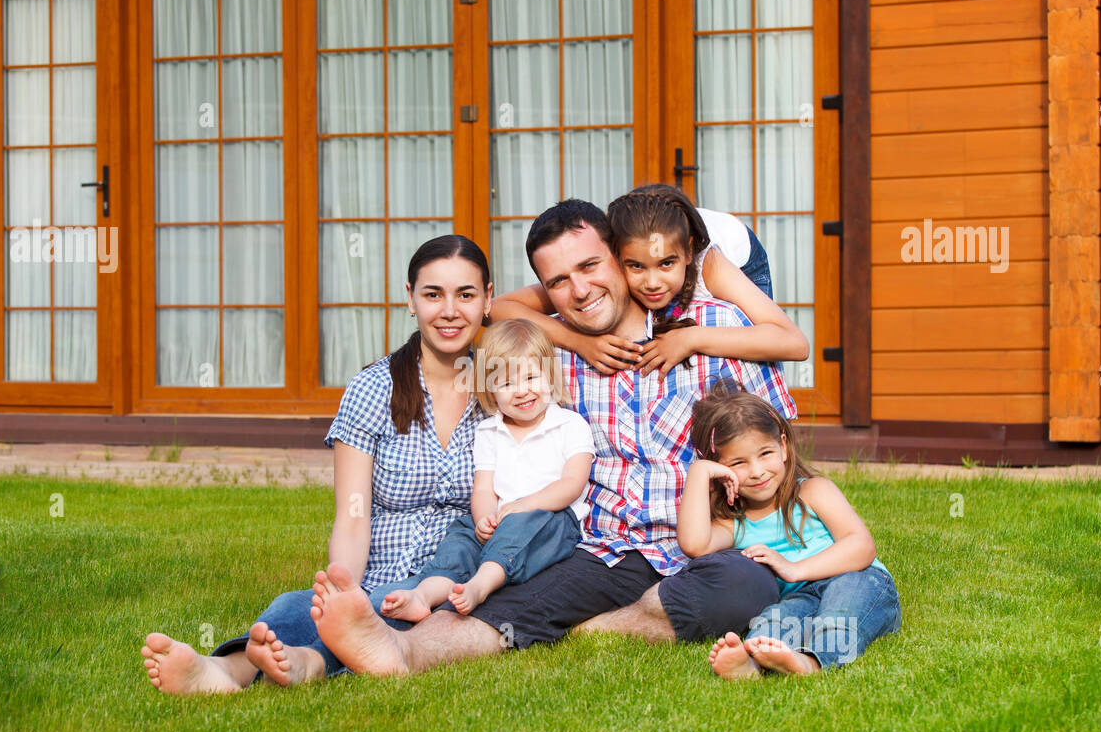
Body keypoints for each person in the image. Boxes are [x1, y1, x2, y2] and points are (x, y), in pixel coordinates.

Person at [308, 199, 808, 678]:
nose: (581, 289)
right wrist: (578, 338)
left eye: (591, 266)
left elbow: (778, 449)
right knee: (508, 594)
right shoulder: (551, 356)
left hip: (705, 545)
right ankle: (399, 649)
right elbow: (491, 314)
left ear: (621, 257)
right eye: (559, 282)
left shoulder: (714, 327)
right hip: (607, 548)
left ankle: (598, 626)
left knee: (740, 587)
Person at [139, 235, 492, 694]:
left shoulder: (504, 390)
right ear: (410, 299)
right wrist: (342, 586)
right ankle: (225, 668)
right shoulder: (371, 389)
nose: (450, 311)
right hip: (382, 571)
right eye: (432, 294)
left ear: (489, 299)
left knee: (408, 623)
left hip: (457, 580)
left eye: (466, 294)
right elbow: (352, 513)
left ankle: (302, 663)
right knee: (306, 605)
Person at [678, 386, 901, 679]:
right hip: (802, 598)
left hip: (859, 581)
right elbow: (694, 544)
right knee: (774, 620)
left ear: (783, 446)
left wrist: (794, 569)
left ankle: (813, 662)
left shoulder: (811, 491)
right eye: (738, 462)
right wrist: (698, 472)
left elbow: (861, 546)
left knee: (841, 612)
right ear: (720, 469)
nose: (757, 471)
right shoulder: (735, 523)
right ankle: (753, 664)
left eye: (765, 453)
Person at [380, 319, 594, 620]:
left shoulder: (570, 425)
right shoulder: (489, 431)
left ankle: (480, 585)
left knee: (522, 527)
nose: (521, 391)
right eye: (507, 383)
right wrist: (484, 519)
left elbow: (572, 483)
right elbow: (483, 488)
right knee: (461, 535)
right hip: (502, 517)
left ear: (550, 377)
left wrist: (524, 505)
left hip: (553, 521)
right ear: (491, 391)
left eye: (531, 378)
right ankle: (424, 593)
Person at [491, 184, 800, 377]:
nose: (580, 289)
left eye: (664, 265)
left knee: (754, 353)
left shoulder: (710, 264)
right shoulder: (596, 269)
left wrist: (691, 339)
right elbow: (497, 309)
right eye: (636, 266)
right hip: (654, 234)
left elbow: (792, 343)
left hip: (739, 256)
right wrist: (580, 342)